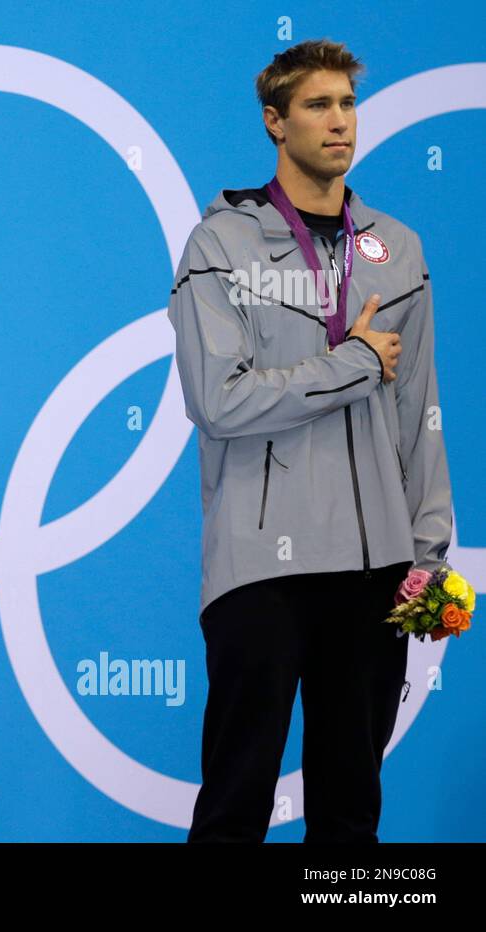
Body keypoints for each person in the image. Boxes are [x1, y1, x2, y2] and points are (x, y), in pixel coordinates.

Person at [167, 40, 452, 842]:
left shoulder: (396, 249)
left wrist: (428, 557)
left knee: (351, 815)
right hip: (262, 569)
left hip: (374, 571)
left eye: (348, 104)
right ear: (274, 122)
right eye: (318, 106)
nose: (339, 123)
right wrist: (354, 363)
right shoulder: (220, 244)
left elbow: (421, 414)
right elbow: (218, 401)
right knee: (234, 804)